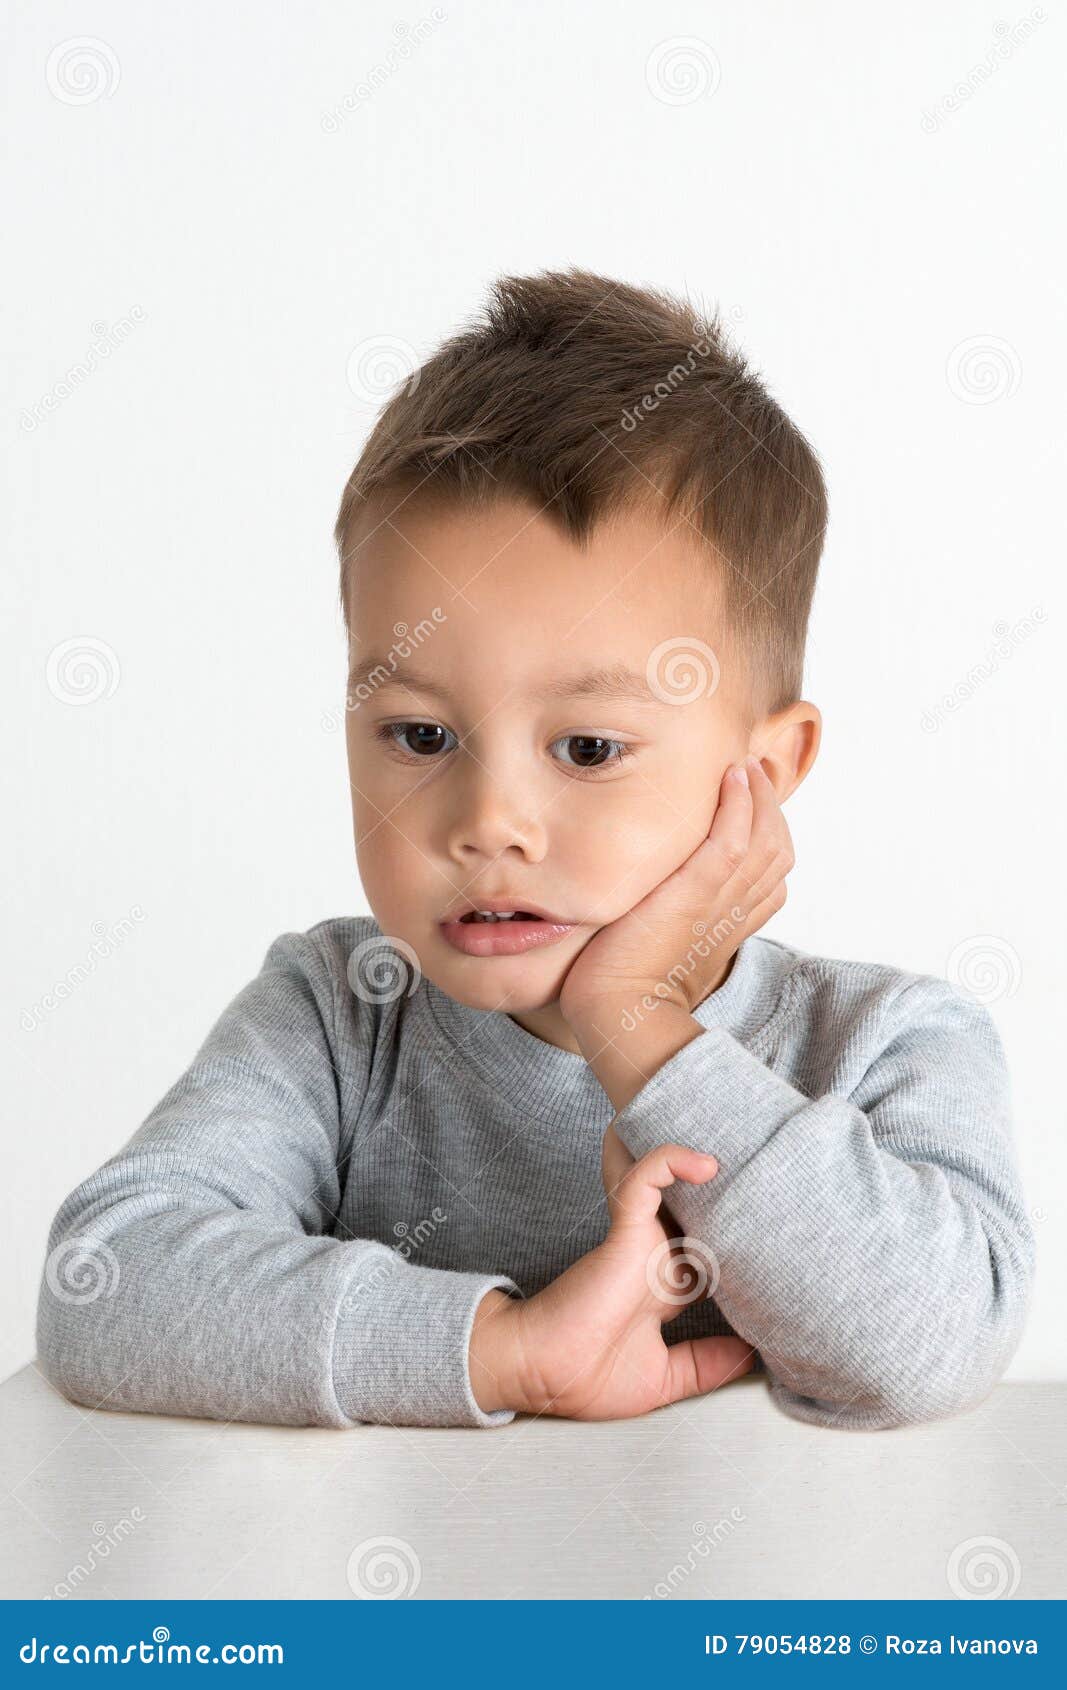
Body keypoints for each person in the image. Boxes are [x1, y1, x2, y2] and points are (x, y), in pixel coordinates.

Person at [37, 267, 1035, 1432]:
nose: (487, 821)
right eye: (420, 733)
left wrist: (639, 1029)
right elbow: (103, 1284)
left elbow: (929, 1346)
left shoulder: (880, 1046)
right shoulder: (337, 1016)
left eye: (588, 746)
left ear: (763, 771)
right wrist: (500, 1350)